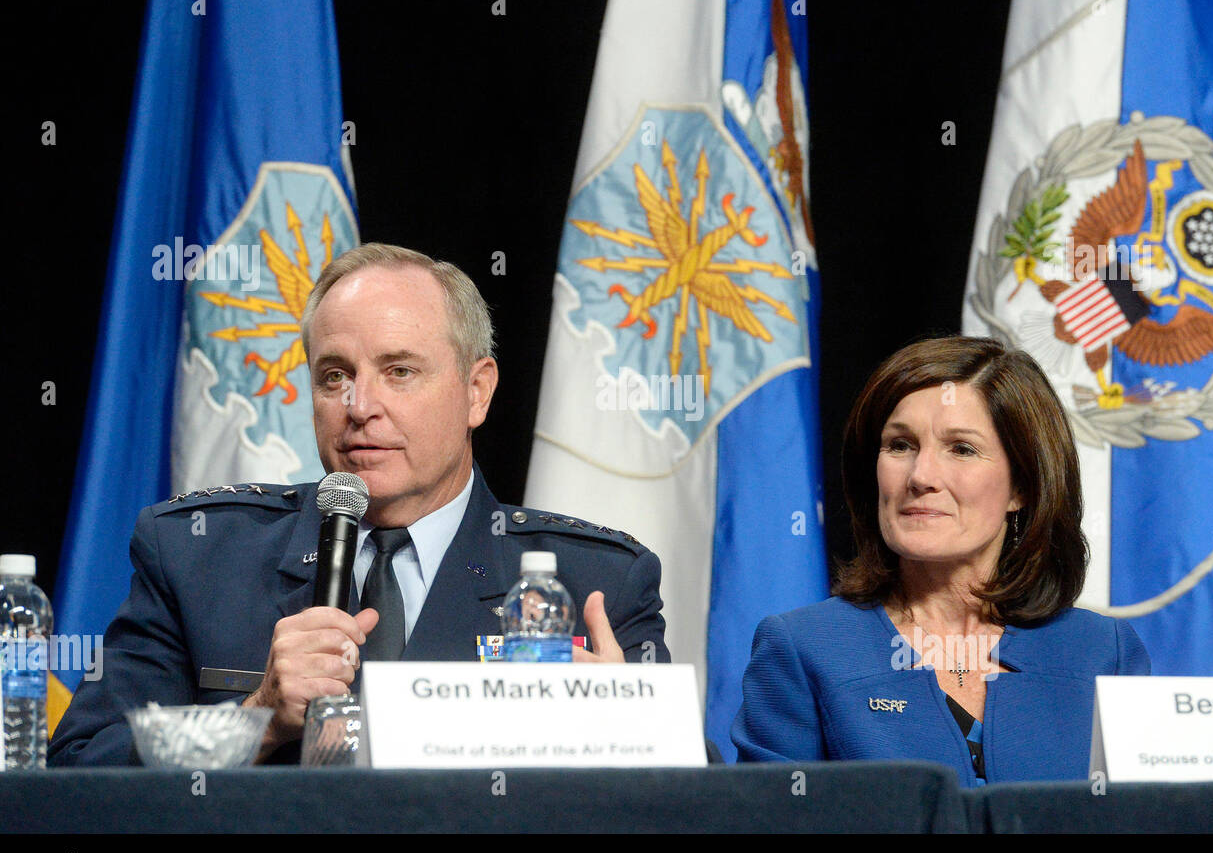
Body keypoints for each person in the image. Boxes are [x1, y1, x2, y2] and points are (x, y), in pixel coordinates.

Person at [51, 243, 669, 766]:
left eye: (399, 371)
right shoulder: (196, 555)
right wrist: (255, 721)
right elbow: (78, 767)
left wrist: (617, 731)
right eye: (334, 375)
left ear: (477, 393)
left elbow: (702, 806)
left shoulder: (598, 584)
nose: (359, 405)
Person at [731, 336, 1149, 784]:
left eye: (962, 449)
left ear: (1022, 486)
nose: (921, 476)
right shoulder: (804, 648)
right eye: (900, 445)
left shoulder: (1104, 653)